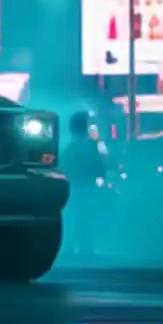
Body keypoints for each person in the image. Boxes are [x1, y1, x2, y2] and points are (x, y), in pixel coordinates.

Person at [64, 111, 109, 259]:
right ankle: (86, 246)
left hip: (72, 188)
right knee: (87, 217)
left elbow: (64, 168)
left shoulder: (68, 147)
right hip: (87, 187)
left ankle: (69, 246)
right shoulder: (92, 146)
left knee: (72, 217)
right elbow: (100, 169)